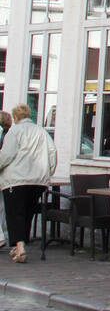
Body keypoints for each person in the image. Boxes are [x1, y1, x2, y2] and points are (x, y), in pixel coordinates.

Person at [0, 105, 57, 263]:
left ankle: (20, 248)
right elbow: (52, 153)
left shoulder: (15, 131)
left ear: (16, 118)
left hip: (16, 179)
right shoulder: (41, 132)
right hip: (38, 181)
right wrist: (48, 173)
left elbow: (6, 155)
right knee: (27, 213)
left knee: (15, 213)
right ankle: (20, 244)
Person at [0, 112, 11, 250]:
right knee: (1, 206)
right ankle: (3, 234)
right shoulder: (9, 134)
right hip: (7, 174)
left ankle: (1, 236)